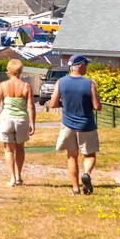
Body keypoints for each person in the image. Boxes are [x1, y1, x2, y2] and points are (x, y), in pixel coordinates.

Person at [48, 54, 101, 195]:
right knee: (89, 155)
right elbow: (97, 106)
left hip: (67, 125)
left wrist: (64, 104)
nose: (87, 68)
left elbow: (53, 104)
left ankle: (75, 189)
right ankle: (87, 174)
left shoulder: (61, 82)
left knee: (72, 156)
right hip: (86, 125)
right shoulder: (89, 83)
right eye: (86, 65)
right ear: (81, 65)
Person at [0, 58, 35, 186]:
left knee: (8, 150)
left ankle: (12, 177)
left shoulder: (3, 85)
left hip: (6, 120)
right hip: (21, 120)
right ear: (21, 71)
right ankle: (19, 176)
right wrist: (32, 123)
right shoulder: (26, 86)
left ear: (8, 71)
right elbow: (31, 106)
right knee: (20, 149)